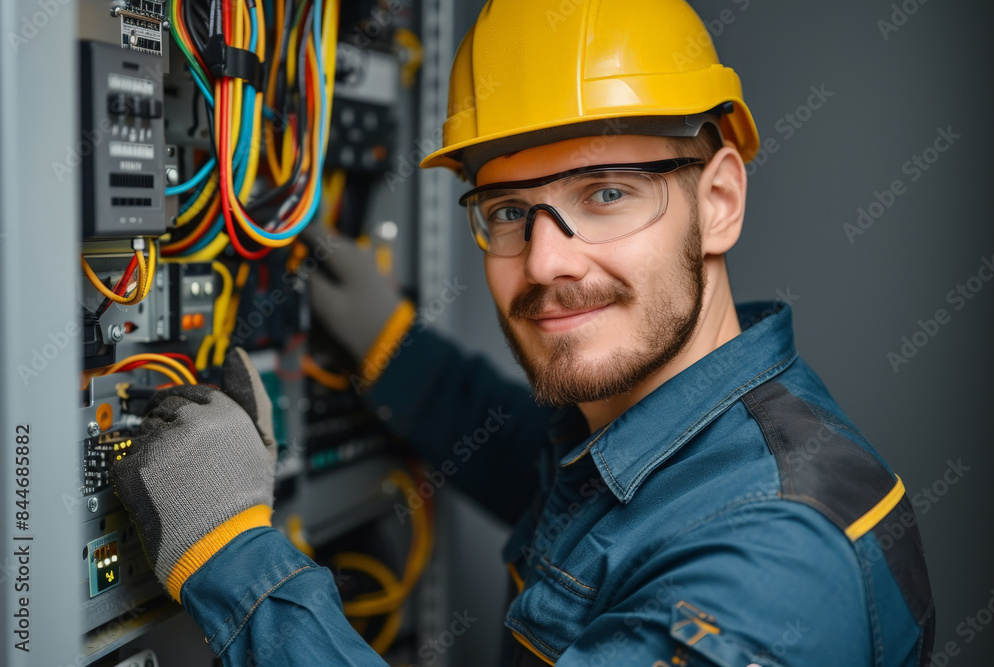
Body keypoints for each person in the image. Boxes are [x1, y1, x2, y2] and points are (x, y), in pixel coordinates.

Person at [111, 0, 935, 665]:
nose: (544, 260)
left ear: (718, 200)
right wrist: (393, 350)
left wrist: (234, 558)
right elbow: (534, 467)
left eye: (606, 192)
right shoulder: (686, 430)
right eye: (508, 210)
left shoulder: (767, 573)